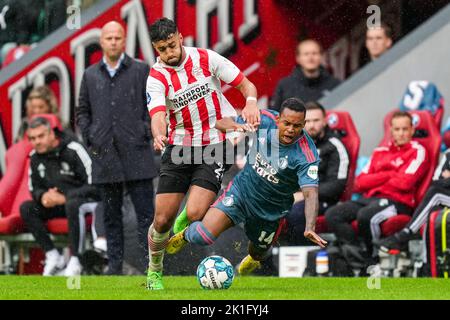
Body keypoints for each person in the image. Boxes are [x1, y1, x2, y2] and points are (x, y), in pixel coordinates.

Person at [146, 17, 260, 289]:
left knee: (197, 212)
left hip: (215, 145)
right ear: (155, 48)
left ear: (181, 37)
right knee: (161, 220)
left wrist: (252, 103)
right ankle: (154, 271)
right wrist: (158, 133)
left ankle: (183, 223)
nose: (169, 53)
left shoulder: (206, 59)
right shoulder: (156, 76)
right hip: (179, 148)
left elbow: (245, 84)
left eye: (172, 45)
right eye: (163, 49)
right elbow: (158, 113)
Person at [165, 98, 327, 279]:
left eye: (296, 126)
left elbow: (311, 193)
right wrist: (235, 127)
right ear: (278, 119)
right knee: (203, 236)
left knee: (259, 253)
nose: (290, 129)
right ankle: (186, 234)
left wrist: (310, 227)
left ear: (303, 125)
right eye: (286, 123)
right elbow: (220, 122)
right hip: (241, 192)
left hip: (270, 211)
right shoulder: (263, 119)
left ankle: (253, 257)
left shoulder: (307, 155)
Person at [76, 21, 156, 275]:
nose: (113, 42)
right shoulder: (90, 75)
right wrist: (91, 137)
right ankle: (114, 268)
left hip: (138, 154)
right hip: (105, 156)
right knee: (110, 217)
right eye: (108, 37)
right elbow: (82, 111)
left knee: (147, 217)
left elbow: (154, 106)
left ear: (124, 41)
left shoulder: (141, 71)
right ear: (101, 42)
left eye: (117, 37)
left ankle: (150, 267)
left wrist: (144, 131)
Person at [325, 111, 429, 264]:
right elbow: (359, 184)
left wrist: (376, 178)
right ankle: (359, 255)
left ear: (412, 130)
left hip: (398, 202)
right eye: (397, 129)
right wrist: (389, 174)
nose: (401, 133)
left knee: (365, 215)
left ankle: (374, 260)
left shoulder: (418, 151)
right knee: (333, 214)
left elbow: (405, 183)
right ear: (391, 131)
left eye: (405, 129)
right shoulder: (380, 152)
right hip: (371, 199)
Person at [20, 116, 100, 276]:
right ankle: (52, 256)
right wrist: (42, 196)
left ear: (51, 134)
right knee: (27, 208)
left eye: (41, 136)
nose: (36, 142)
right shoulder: (35, 156)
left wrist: (66, 197)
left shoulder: (74, 148)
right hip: (56, 205)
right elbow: (33, 187)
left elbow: (95, 185)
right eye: (32, 138)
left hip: (84, 203)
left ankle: (75, 259)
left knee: (73, 204)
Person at [284, 101, 349, 245]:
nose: (312, 125)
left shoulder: (335, 146)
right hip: (295, 196)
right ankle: (267, 260)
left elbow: (337, 185)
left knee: (294, 214)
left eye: (316, 120)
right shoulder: (295, 144)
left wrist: (303, 194)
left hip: (325, 201)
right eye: (307, 121)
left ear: (325, 121)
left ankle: (303, 258)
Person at [376, 149, 450, 252]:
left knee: (436, 195)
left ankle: (405, 234)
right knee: (432, 211)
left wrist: (447, 179)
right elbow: (436, 182)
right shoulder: (448, 153)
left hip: (443, 195)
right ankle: (428, 264)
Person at [270, 39, 340, 112]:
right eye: (306, 54)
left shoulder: (334, 84)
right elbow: (275, 115)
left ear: (321, 56)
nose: (310, 58)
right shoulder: (284, 86)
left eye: (314, 53)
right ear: (298, 58)